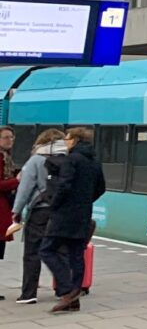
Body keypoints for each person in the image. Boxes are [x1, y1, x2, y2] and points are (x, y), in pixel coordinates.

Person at [38, 127, 106, 313]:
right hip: (83, 214)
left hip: (64, 215)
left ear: (74, 140)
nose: (65, 142)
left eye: (67, 138)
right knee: (76, 254)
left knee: (46, 250)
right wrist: (84, 201)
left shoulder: (71, 160)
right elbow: (101, 188)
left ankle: (68, 290)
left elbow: (64, 185)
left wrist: (54, 205)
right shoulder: (94, 162)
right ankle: (73, 299)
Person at [11, 129, 67, 304]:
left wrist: (17, 210)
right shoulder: (68, 159)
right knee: (60, 251)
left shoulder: (36, 160)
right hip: (61, 211)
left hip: (40, 211)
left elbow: (25, 188)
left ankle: (29, 294)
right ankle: (63, 290)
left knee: (32, 252)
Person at [0, 127, 17, 299]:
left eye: (11, 137)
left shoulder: (6, 158)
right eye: (5, 137)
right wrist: (16, 181)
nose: (9, 140)